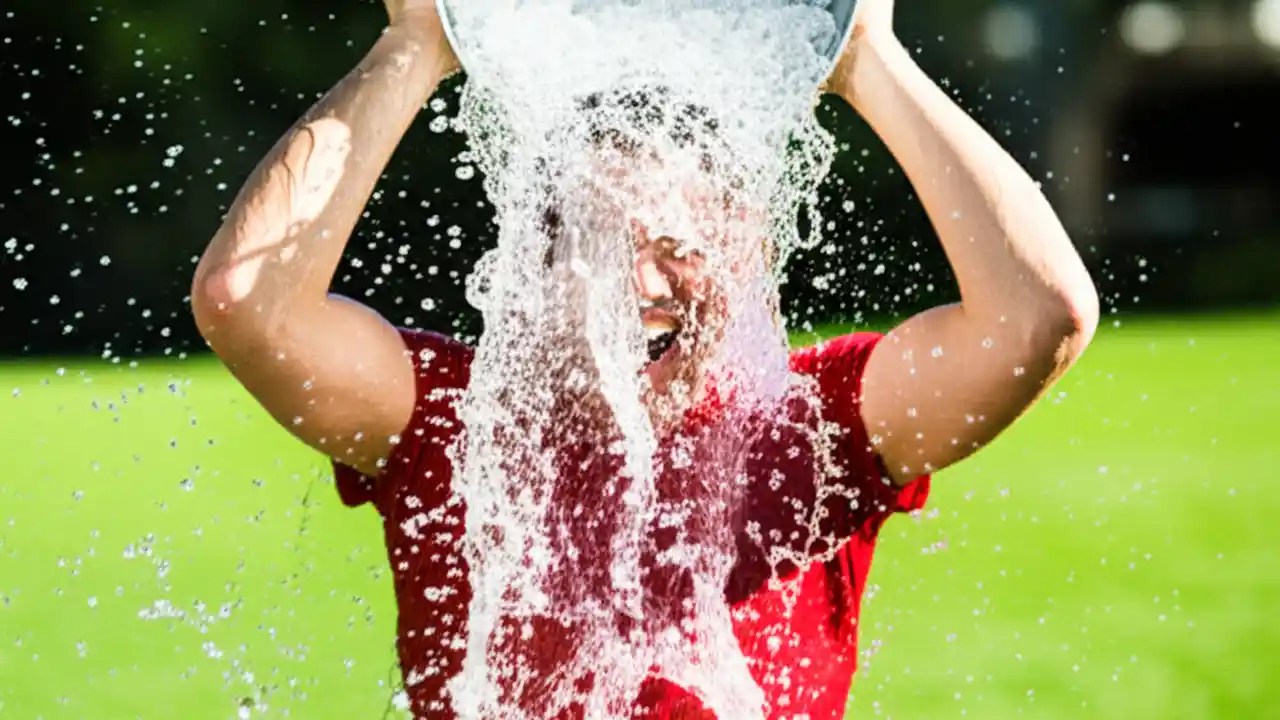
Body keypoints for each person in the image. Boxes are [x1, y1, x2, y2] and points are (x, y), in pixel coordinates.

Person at [190, 0, 1099, 717]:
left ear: (746, 254)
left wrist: (871, 61)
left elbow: (1038, 317)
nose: (646, 287)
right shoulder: (454, 418)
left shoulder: (817, 427)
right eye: (602, 245)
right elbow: (245, 302)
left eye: (680, 245)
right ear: (535, 267)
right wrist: (415, 46)